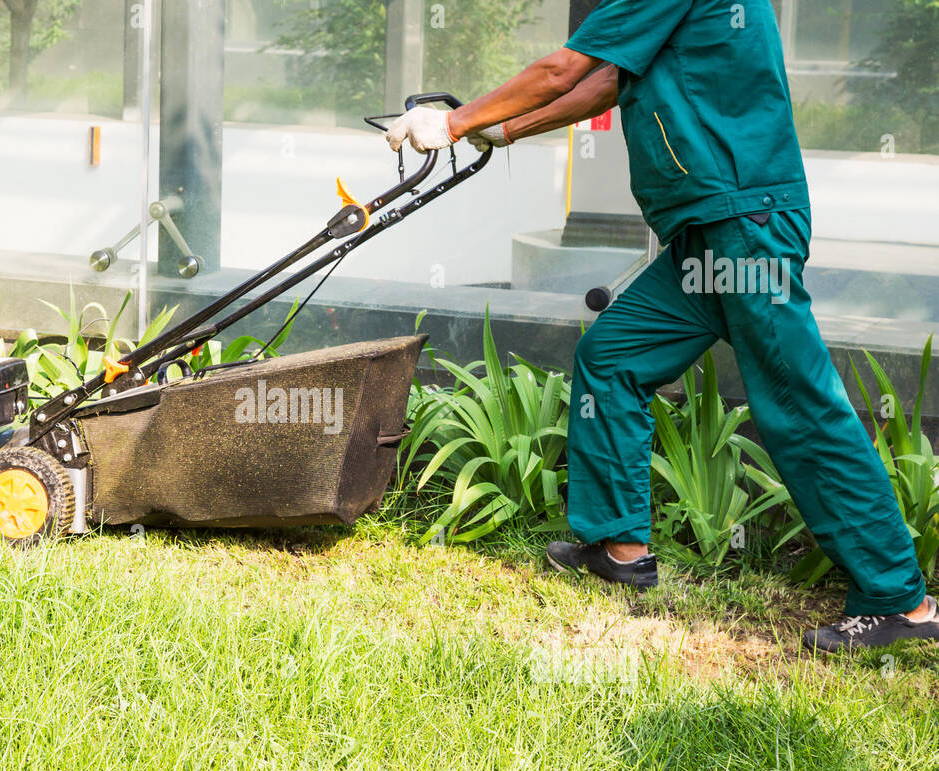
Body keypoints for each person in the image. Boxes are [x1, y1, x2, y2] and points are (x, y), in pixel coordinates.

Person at [383, 0, 938, 652]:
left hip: (745, 229)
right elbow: (608, 81)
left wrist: (453, 122)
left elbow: (565, 68)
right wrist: (500, 131)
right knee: (614, 355)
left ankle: (902, 598)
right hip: (708, 234)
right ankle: (621, 547)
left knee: (800, 404)